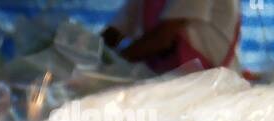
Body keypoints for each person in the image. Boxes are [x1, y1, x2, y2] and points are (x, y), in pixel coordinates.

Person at [103, 0, 241, 70]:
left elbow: (162, 39)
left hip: (214, 91)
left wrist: (110, 65)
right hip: (174, 83)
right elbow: (113, 33)